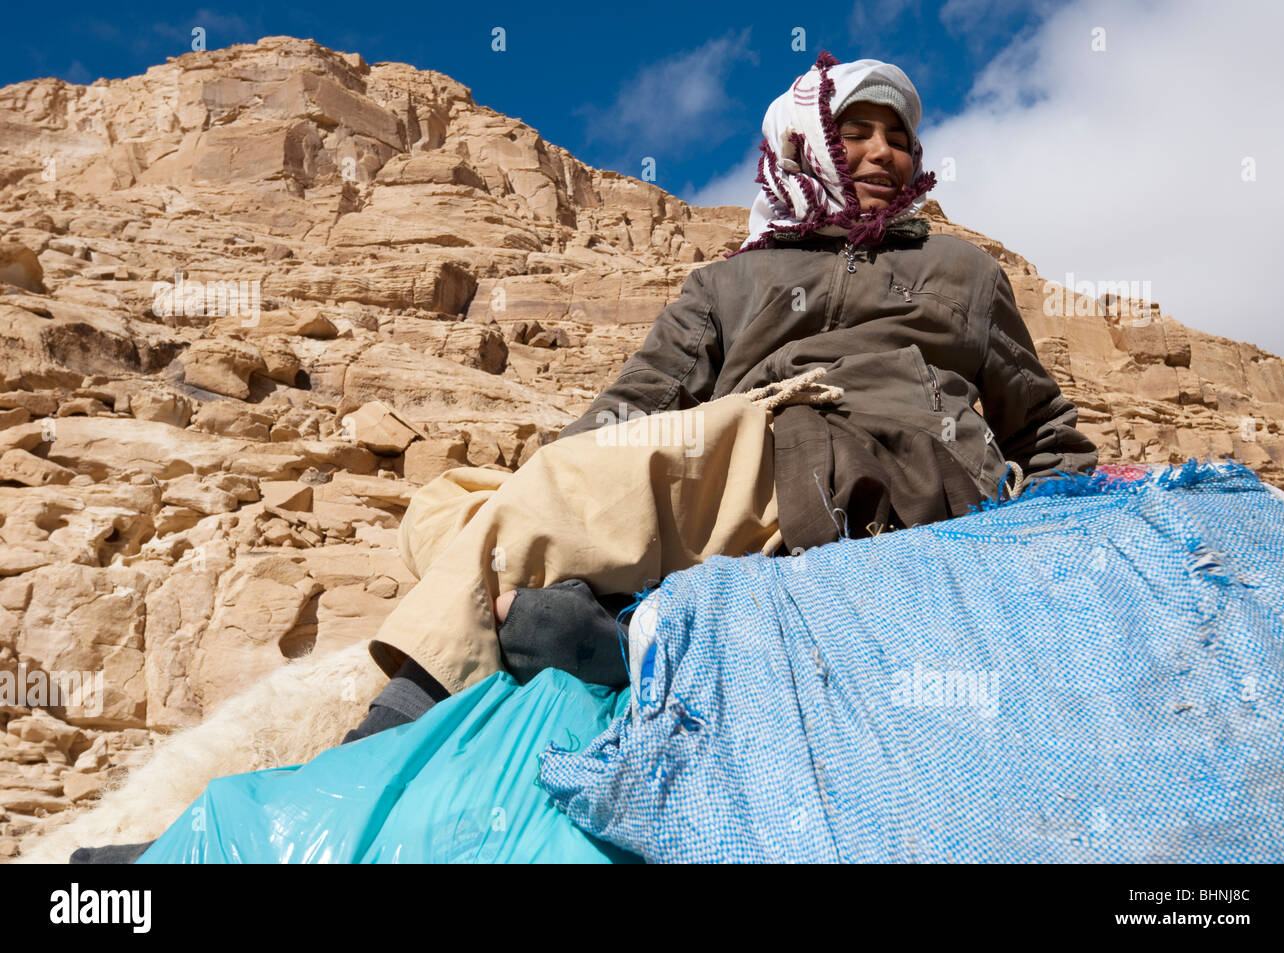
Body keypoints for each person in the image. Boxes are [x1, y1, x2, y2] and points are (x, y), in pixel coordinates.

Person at [71, 51, 1097, 862]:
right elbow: (635, 403)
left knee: (553, 496)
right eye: (855, 130)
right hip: (743, 467)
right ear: (804, 142)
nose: (879, 151)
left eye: (896, 135)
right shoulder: (727, 284)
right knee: (459, 501)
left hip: (872, 464)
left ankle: (362, 772)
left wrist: (1077, 527)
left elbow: (1039, 420)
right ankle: (589, 631)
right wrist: (543, 499)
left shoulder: (958, 270)